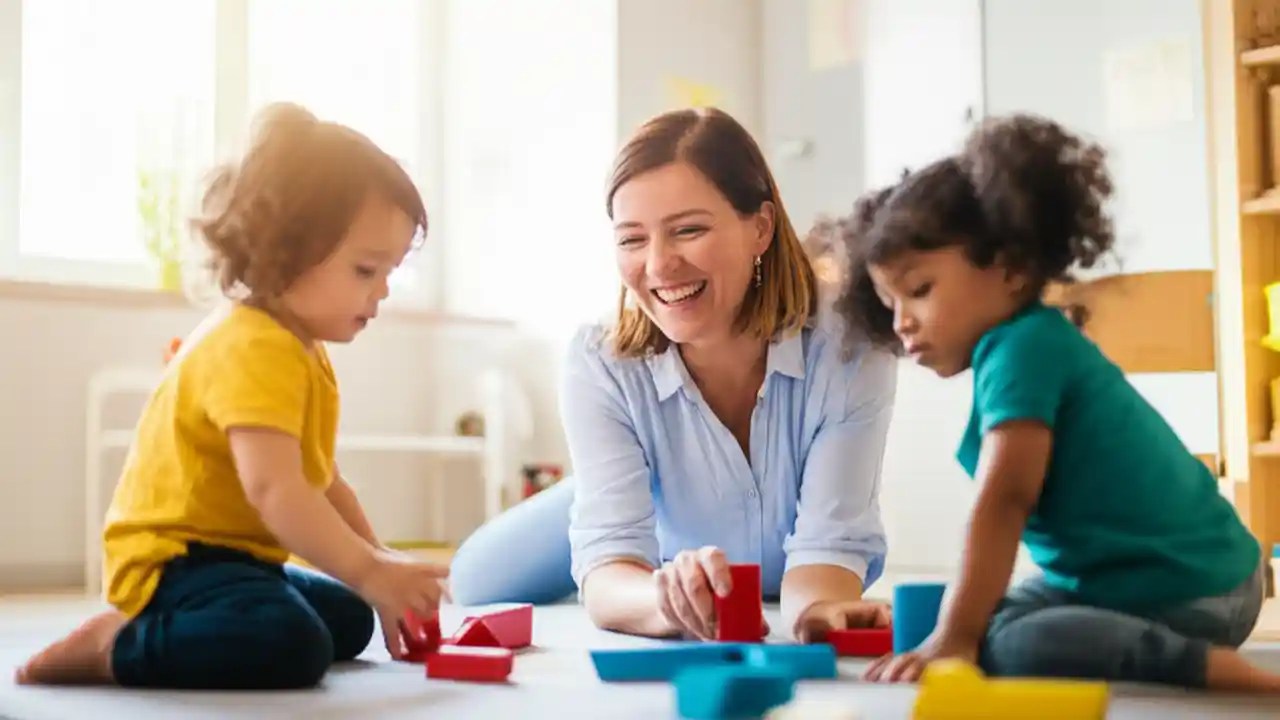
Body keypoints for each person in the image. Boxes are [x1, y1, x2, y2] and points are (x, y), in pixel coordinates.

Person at [833, 113, 1274, 691]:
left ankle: (1207, 669)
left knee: (1007, 642)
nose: (903, 322)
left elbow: (1004, 498)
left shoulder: (1024, 348)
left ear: (1011, 270)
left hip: (1195, 589)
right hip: (1125, 580)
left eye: (919, 291)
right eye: (891, 303)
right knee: (998, 625)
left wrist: (955, 636)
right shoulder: (1016, 346)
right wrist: (962, 628)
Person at [15, 103, 449, 689]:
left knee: (350, 615)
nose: (383, 292)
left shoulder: (299, 347)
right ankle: (115, 644)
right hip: (176, 561)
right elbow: (276, 489)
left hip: (236, 558)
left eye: (390, 272)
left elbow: (321, 481)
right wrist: (369, 569)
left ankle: (222, 620)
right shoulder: (254, 345)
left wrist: (381, 564)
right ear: (287, 249)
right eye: (366, 269)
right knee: (291, 643)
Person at [450, 107, 897, 642]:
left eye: (688, 230)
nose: (660, 266)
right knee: (475, 579)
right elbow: (611, 577)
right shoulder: (601, 358)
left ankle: (625, 483)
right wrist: (667, 600)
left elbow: (830, 543)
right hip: (653, 511)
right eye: (632, 239)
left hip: (759, 539)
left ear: (760, 227)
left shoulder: (851, 340)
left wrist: (816, 612)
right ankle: (615, 480)